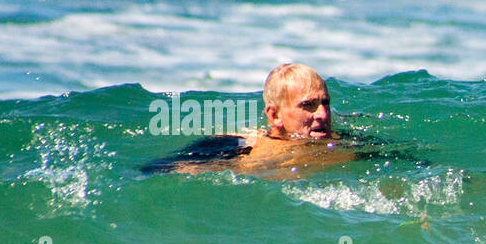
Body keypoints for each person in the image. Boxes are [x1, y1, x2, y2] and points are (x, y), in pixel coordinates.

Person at [141, 63, 355, 177]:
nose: (323, 115)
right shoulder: (240, 147)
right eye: (308, 105)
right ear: (275, 115)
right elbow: (156, 172)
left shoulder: (344, 144)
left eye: (324, 103)